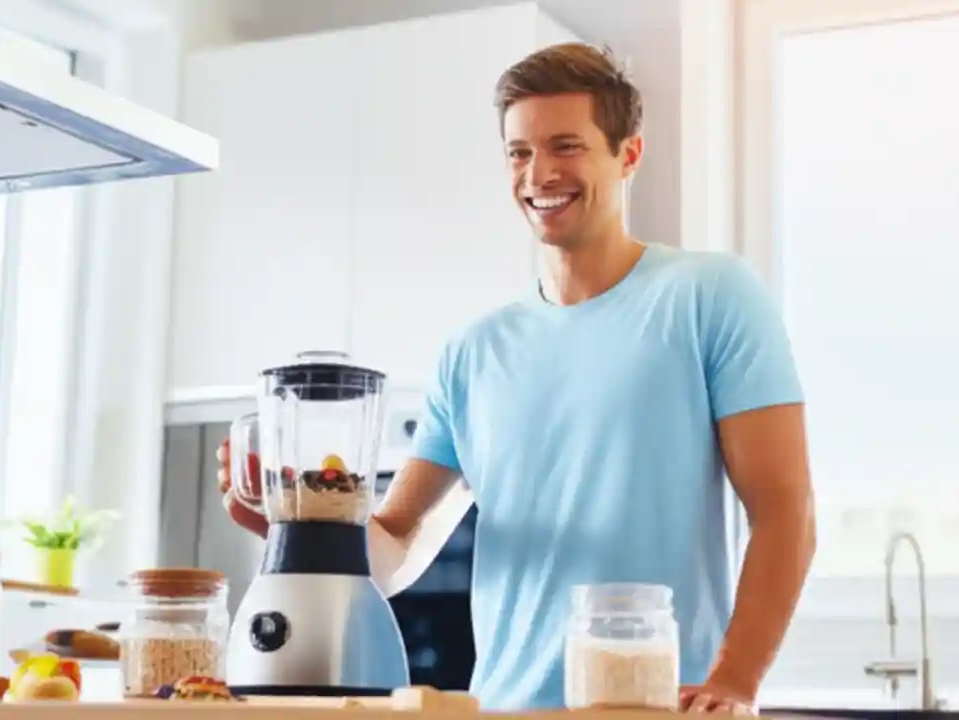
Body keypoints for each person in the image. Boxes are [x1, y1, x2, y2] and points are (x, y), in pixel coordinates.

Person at [218, 42, 815, 715]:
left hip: (661, 708)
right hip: (503, 710)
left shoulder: (710, 295)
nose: (540, 174)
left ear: (628, 155)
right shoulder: (472, 351)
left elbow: (785, 510)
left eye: (566, 146)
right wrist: (295, 527)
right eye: (519, 152)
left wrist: (734, 681)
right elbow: (396, 547)